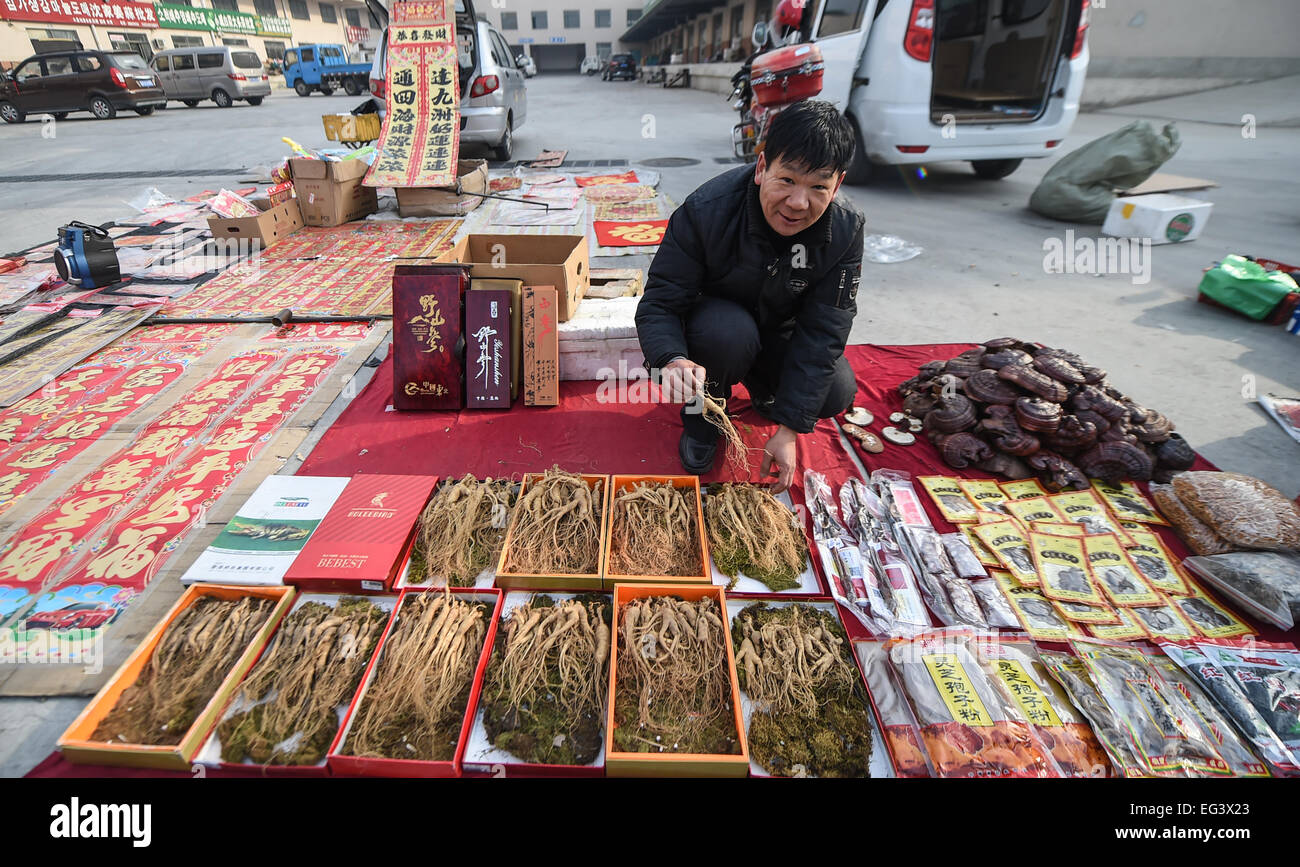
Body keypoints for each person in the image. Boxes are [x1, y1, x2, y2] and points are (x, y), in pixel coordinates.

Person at [635, 100, 865, 493]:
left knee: (836, 389)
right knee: (726, 333)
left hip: (781, 332)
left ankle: (769, 395)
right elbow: (660, 301)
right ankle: (704, 420)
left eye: (818, 187)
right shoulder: (706, 211)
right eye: (787, 180)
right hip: (717, 337)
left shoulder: (844, 230)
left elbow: (825, 331)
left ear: (837, 185)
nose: (798, 203)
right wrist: (670, 359)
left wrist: (791, 427)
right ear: (761, 168)